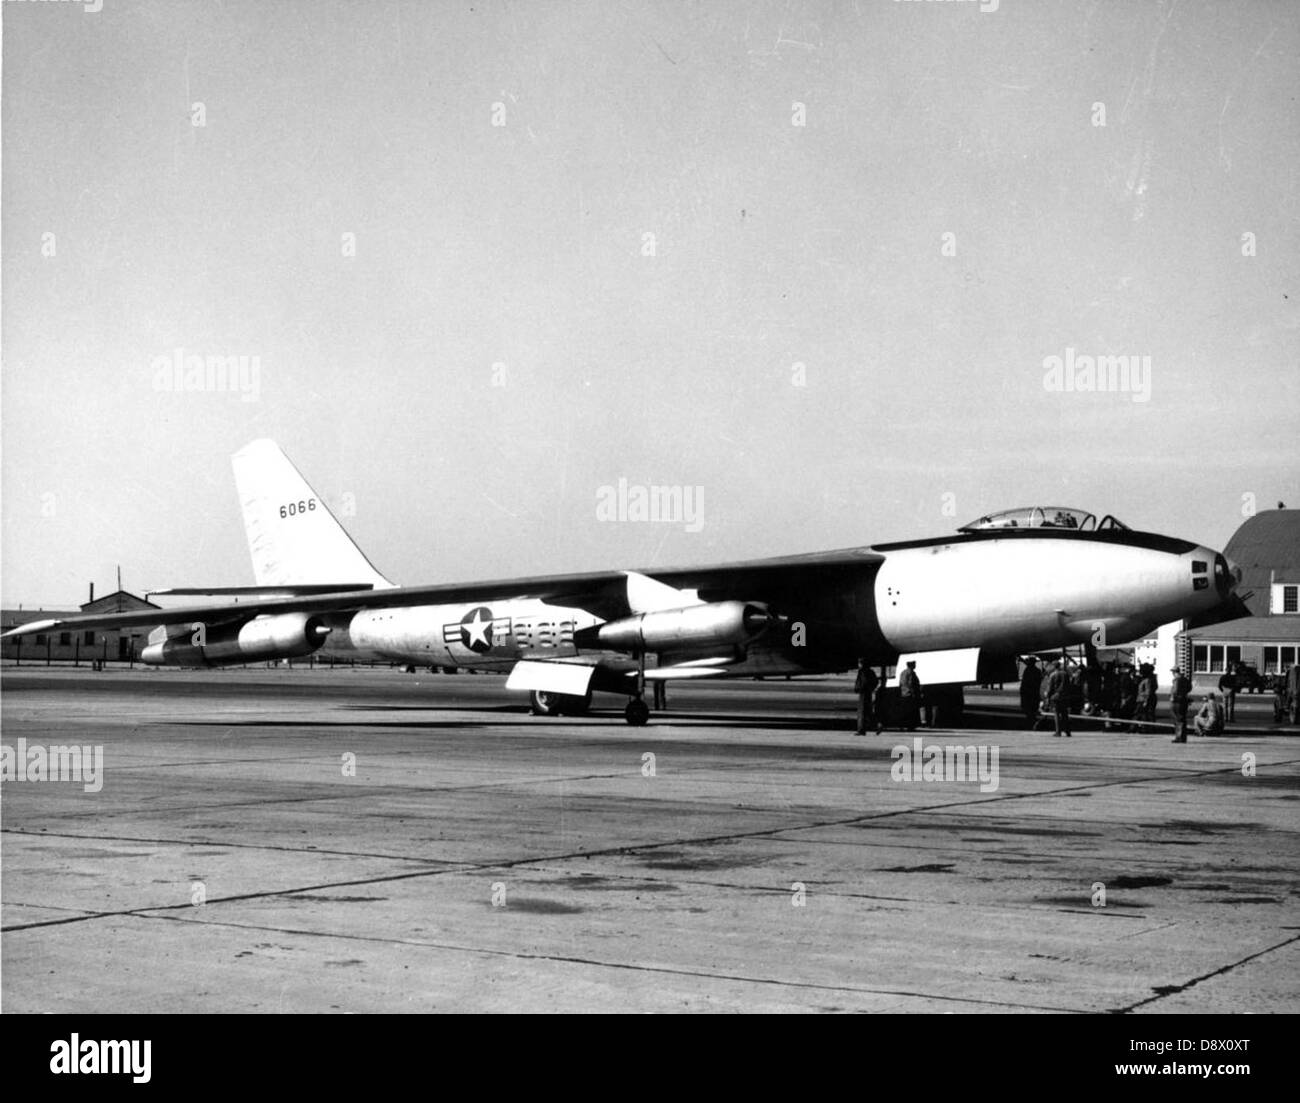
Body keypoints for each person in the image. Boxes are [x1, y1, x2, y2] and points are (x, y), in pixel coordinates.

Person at [1043, 659, 1071, 737]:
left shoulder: (1053, 675)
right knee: (1065, 714)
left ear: (1054, 667)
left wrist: (1047, 696)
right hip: (1064, 696)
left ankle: (1058, 731)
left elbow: (1050, 687)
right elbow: (1069, 685)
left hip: (1055, 697)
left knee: (1056, 715)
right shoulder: (1065, 674)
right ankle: (1067, 731)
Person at [854, 659, 878, 736]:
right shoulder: (871, 672)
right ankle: (876, 726)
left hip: (863, 693)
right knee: (868, 711)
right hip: (868, 693)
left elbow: (863, 681)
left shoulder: (862, 671)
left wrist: (859, 688)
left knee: (862, 712)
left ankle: (861, 730)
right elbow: (875, 681)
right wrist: (871, 688)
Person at [1169, 666, 1193, 743]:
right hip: (1183, 701)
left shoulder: (1177, 680)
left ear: (1174, 672)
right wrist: (1184, 693)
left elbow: (1175, 691)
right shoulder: (1185, 679)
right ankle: (1182, 737)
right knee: (1182, 719)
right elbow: (1190, 688)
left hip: (1177, 701)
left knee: (1178, 719)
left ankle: (1179, 737)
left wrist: (1173, 696)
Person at [898, 660, 922, 732]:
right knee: (911, 712)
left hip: (903, 694)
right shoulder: (911, 673)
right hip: (910, 695)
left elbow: (901, 683)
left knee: (904, 711)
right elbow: (911, 684)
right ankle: (910, 726)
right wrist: (914, 693)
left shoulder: (903, 672)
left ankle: (902, 725)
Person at [1019, 656, 1043, 728]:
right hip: (1034, 693)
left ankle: (1031, 722)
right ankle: (1032, 721)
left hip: (1028, 693)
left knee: (1028, 709)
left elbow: (1025, 682)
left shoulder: (1028, 670)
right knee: (1033, 709)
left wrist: (1022, 691)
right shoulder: (1037, 671)